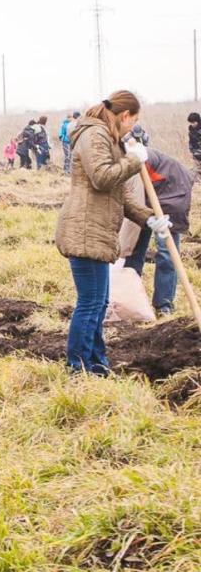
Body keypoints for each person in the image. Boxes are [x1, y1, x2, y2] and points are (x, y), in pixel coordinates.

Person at [56, 91, 163, 376]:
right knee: (90, 304)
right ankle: (77, 368)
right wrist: (133, 162)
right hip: (84, 229)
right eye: (134, 120)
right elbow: (102, 178)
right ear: (124, 115)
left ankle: (97, 364)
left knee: (98, 303)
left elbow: (120, 195)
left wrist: (149, 219)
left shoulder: (109, 139)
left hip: (96, 229)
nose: (132, 128)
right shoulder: (95, 136)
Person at [123, 147, 193, 316]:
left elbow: (130, 197)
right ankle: (130, 299)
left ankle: (164, 304)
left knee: (166, 251)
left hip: (173, 196)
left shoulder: (134, 158)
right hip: (148, 196)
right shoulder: (120, 163)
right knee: (135, 247)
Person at [188, 112, 201, 178]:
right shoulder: (191, 131)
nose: (192, 124)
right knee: (197, 172)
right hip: (196, 156)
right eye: (191, 122)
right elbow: (190, 143)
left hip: (199, 153)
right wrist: (193, 151)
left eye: (194, 122)